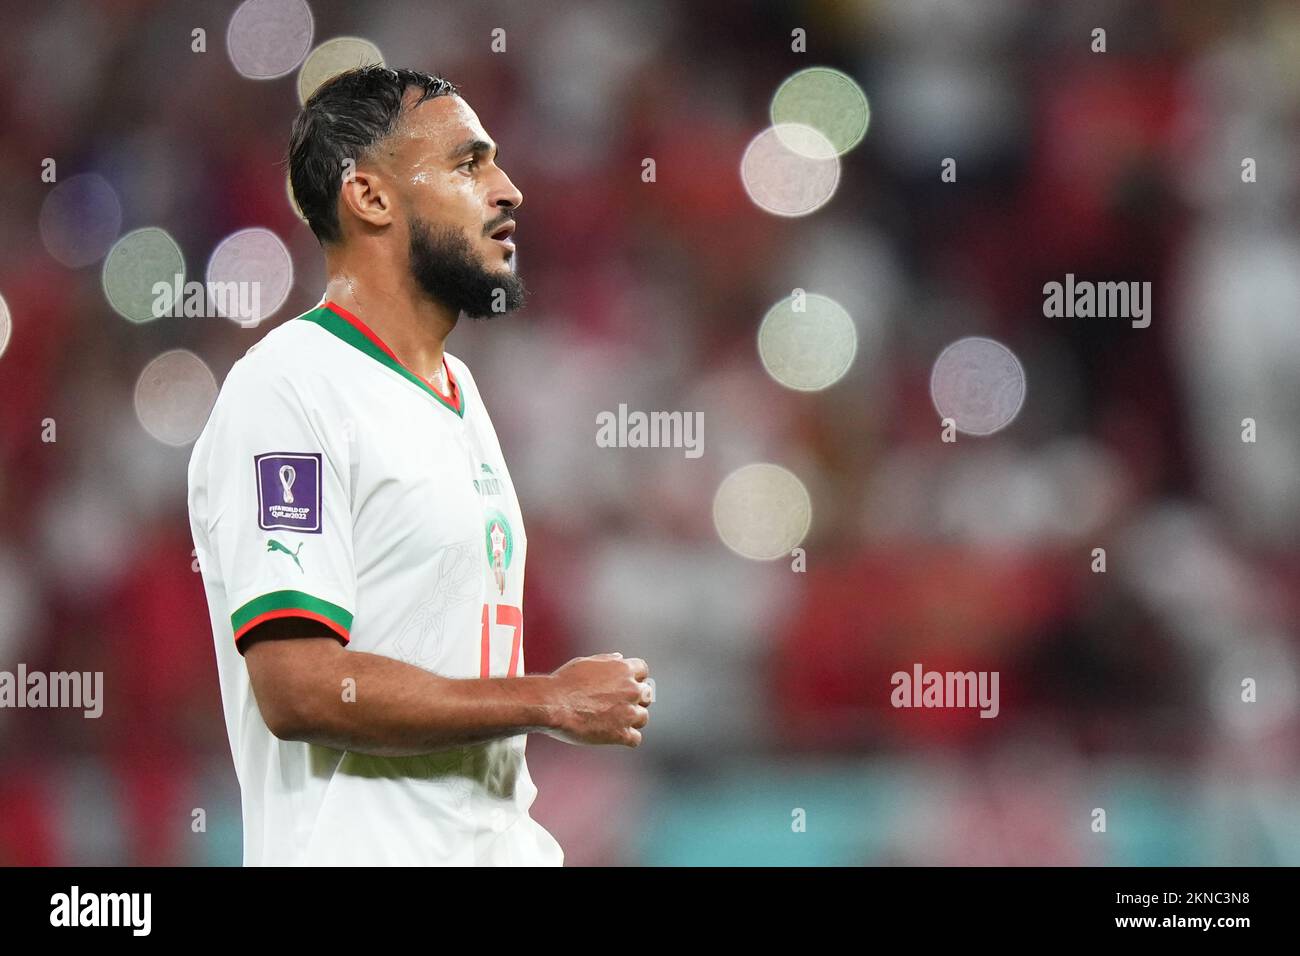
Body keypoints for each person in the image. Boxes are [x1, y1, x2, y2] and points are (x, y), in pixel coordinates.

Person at [187, 66, 652, 866]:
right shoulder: (290, 388)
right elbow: (298, 686)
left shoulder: (458, 390)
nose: (508, 190)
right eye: (469, 164)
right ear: (370, 197)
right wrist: (548, 699)